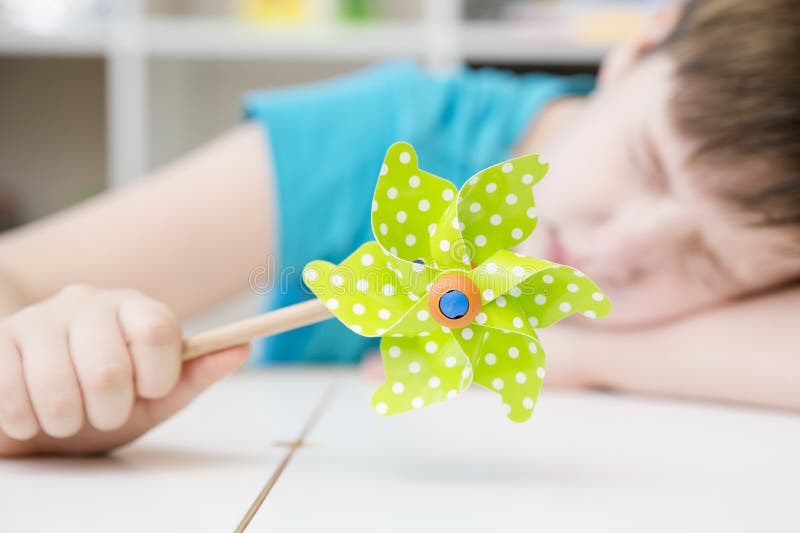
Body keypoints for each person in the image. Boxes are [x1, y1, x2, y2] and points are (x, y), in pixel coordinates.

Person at [0, 0, 797, 457]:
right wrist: (48, 357)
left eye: (711, 262)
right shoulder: (382, 137)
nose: (619, 251)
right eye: (648, 160)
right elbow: (18, 279)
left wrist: (585, 354)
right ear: (637, 51)